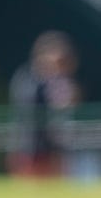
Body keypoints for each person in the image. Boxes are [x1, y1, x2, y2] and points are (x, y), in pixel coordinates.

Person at [7, 30, 82, 177]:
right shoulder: (27, 80)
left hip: (51, 149)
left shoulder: (55, 81)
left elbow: (70, 102)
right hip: (29, 149)